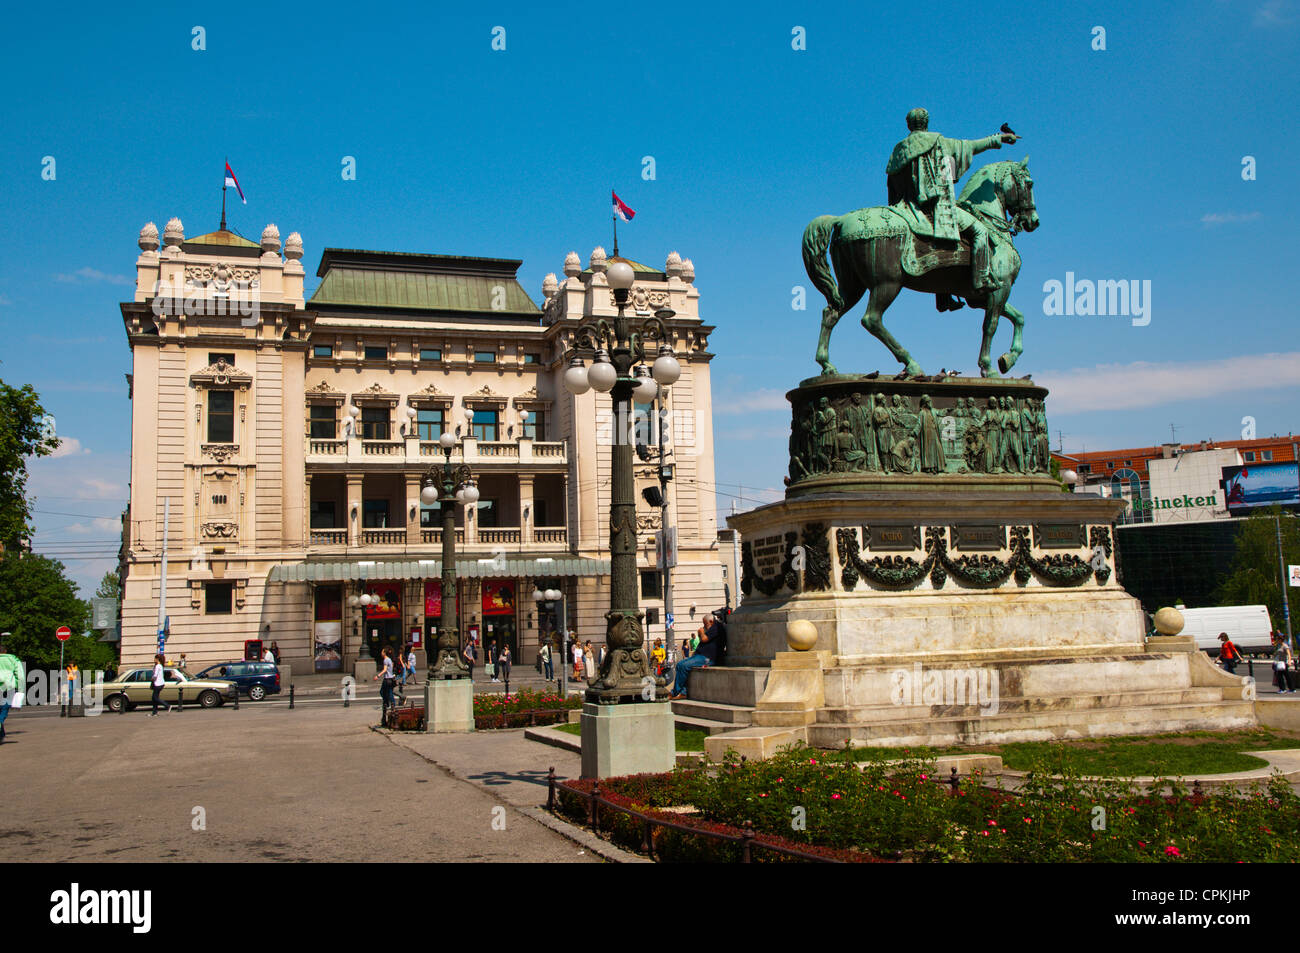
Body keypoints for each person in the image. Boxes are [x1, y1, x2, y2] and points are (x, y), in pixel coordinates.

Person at [885, 107, 1017, 310]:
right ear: (926, 123)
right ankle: (982, 279)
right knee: (980, 231)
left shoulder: (898, 150)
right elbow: (972, 146)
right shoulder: (938, 141)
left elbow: (891, 183)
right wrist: (998, 138)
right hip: (937, 206)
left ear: (909, 124)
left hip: (906, 208)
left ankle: (944, 298)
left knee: (941, 245)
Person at [669, 615, 724, 700]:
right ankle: (683, 692)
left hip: (707, 657)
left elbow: (704, 639)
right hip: (701, 655)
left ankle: (675, 692)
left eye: (705, 624)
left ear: (711, 622)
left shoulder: (716, 627)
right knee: (680, 664)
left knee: (684, 666)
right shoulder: (712, 627)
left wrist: (701, 632)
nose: (704, 626)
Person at [0, 640, 25, 744]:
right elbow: (20, 676)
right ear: (5, 651)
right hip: (8, 688)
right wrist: (20, 690)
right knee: (3, 710)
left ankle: (1, 735)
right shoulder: (13, 659)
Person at [373, 647, 397, 725]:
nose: (381, 653)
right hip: (390, 679)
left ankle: (390, 704)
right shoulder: (389, 659)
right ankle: (388, 703)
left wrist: (378, 676)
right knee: (386, 692)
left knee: (386, 693)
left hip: (387, 679)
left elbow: (385, 669)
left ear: (384, 653)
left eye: (382, 651)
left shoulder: (386, 660)